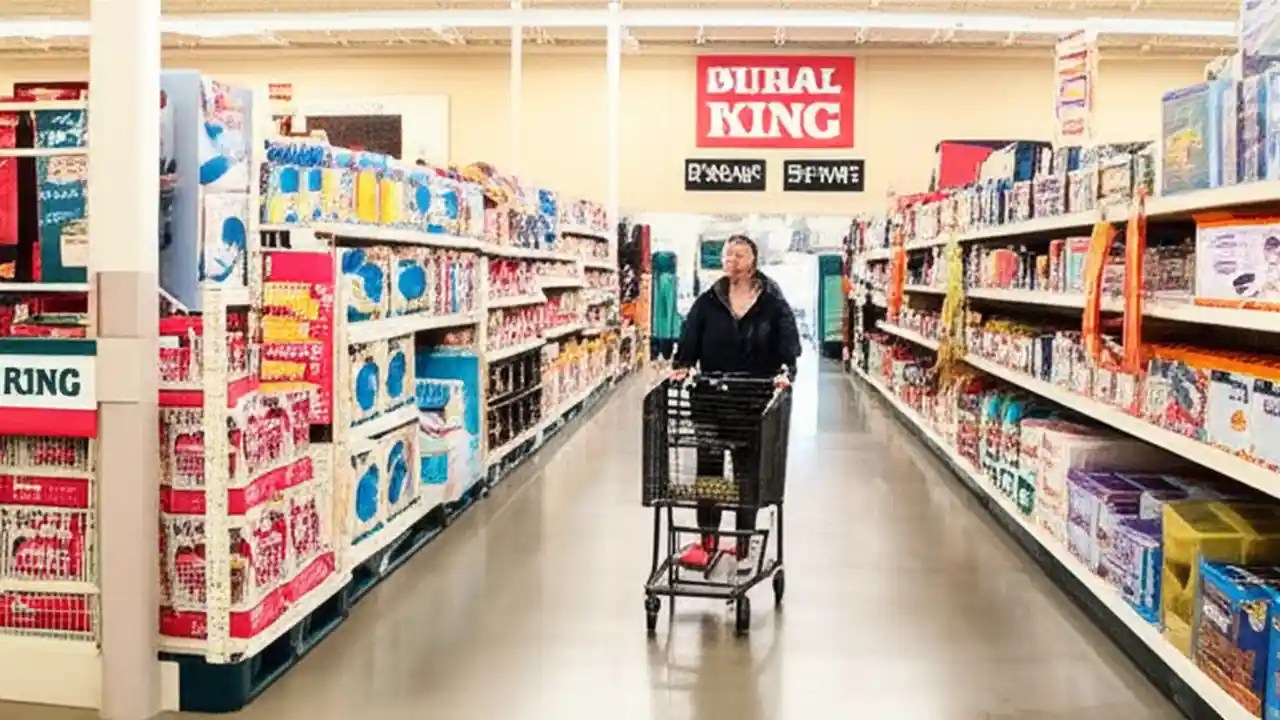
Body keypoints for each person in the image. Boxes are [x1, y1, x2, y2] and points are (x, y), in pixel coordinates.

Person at [670, 234, 800, 574]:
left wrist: (787, 372)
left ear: (753, 260)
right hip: (710, 399)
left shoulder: (772, 302)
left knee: (747, 473)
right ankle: (708, 540)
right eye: (728, 254)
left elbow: (789, 343)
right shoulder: (709, 300)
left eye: (740, 254)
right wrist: (682, 365)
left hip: (753, 401)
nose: (732, 260)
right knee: (709, 470)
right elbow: (689, 337)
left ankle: (744, 543)